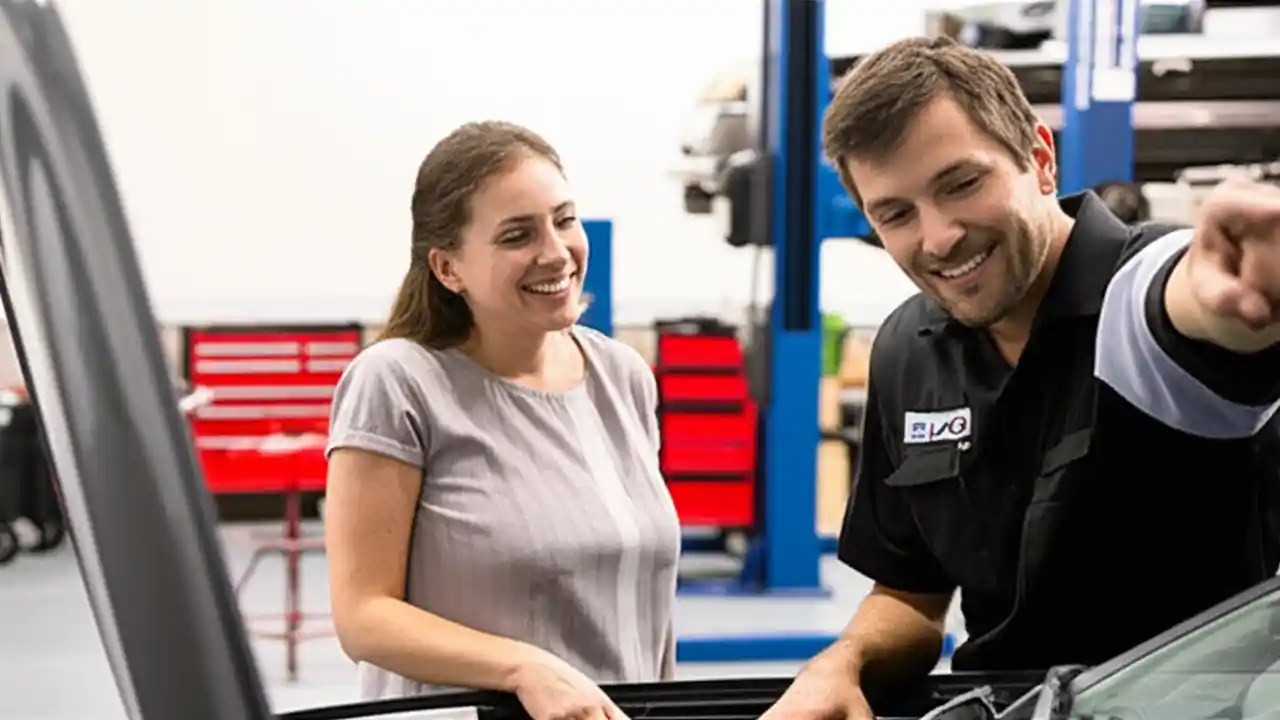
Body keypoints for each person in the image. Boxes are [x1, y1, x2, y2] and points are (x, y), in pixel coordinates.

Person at [762, 36, 1280, 719]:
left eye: (962, 185)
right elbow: (913, 597)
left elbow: (1184, 309)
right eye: (896, 214)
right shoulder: (906, 351)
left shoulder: (1137, 292)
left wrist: (1235, 293)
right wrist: (844, 663)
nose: (939, 236)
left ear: (1038, 157)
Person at [322, 120, 681, 720]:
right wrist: (524, 667)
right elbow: (363, 617)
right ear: (448, 268)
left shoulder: (622, 377)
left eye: (564, 220)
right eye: (518, 235)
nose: (556, 252)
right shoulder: (398, 384)